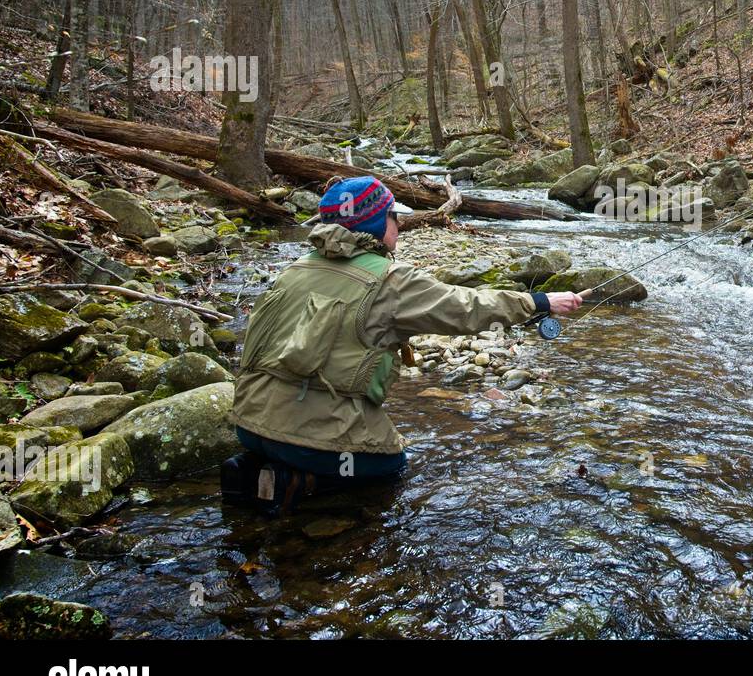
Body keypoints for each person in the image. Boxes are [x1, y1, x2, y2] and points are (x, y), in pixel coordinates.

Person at [220, 175, 585, 515]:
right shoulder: (391, 280)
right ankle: (295, 483)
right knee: (390, 466)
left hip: (248, 422)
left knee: (302, 439)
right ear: (375, 225)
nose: (398, 225)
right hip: (312, 437)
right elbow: (466, 308)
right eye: (392, 216)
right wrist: (539, 302)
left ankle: (254, 468)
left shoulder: (296, 267)